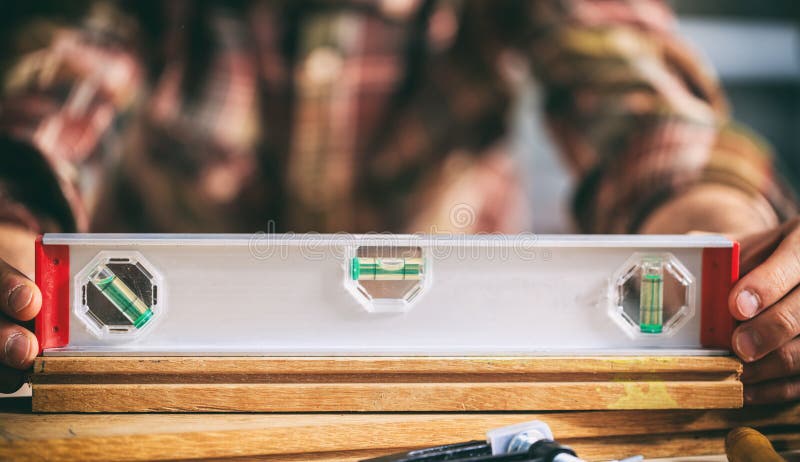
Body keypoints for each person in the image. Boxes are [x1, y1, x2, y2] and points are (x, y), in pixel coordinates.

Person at [0, 0, 798, 403]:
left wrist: (722, 233)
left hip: (469, 377)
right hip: (163, 377)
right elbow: (60, 93)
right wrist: (12, 218)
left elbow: (639, 100)